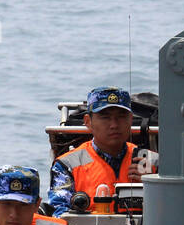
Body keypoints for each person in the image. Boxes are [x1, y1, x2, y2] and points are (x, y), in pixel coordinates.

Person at [48, 86, 157, 215]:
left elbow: (176, 208)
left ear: (131, 120)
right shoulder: (67, 165)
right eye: (105, 117)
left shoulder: (154, 163)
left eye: (121, 116)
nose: (114, 125)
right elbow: (58, 215)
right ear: (88, 122)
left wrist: (153, 185)